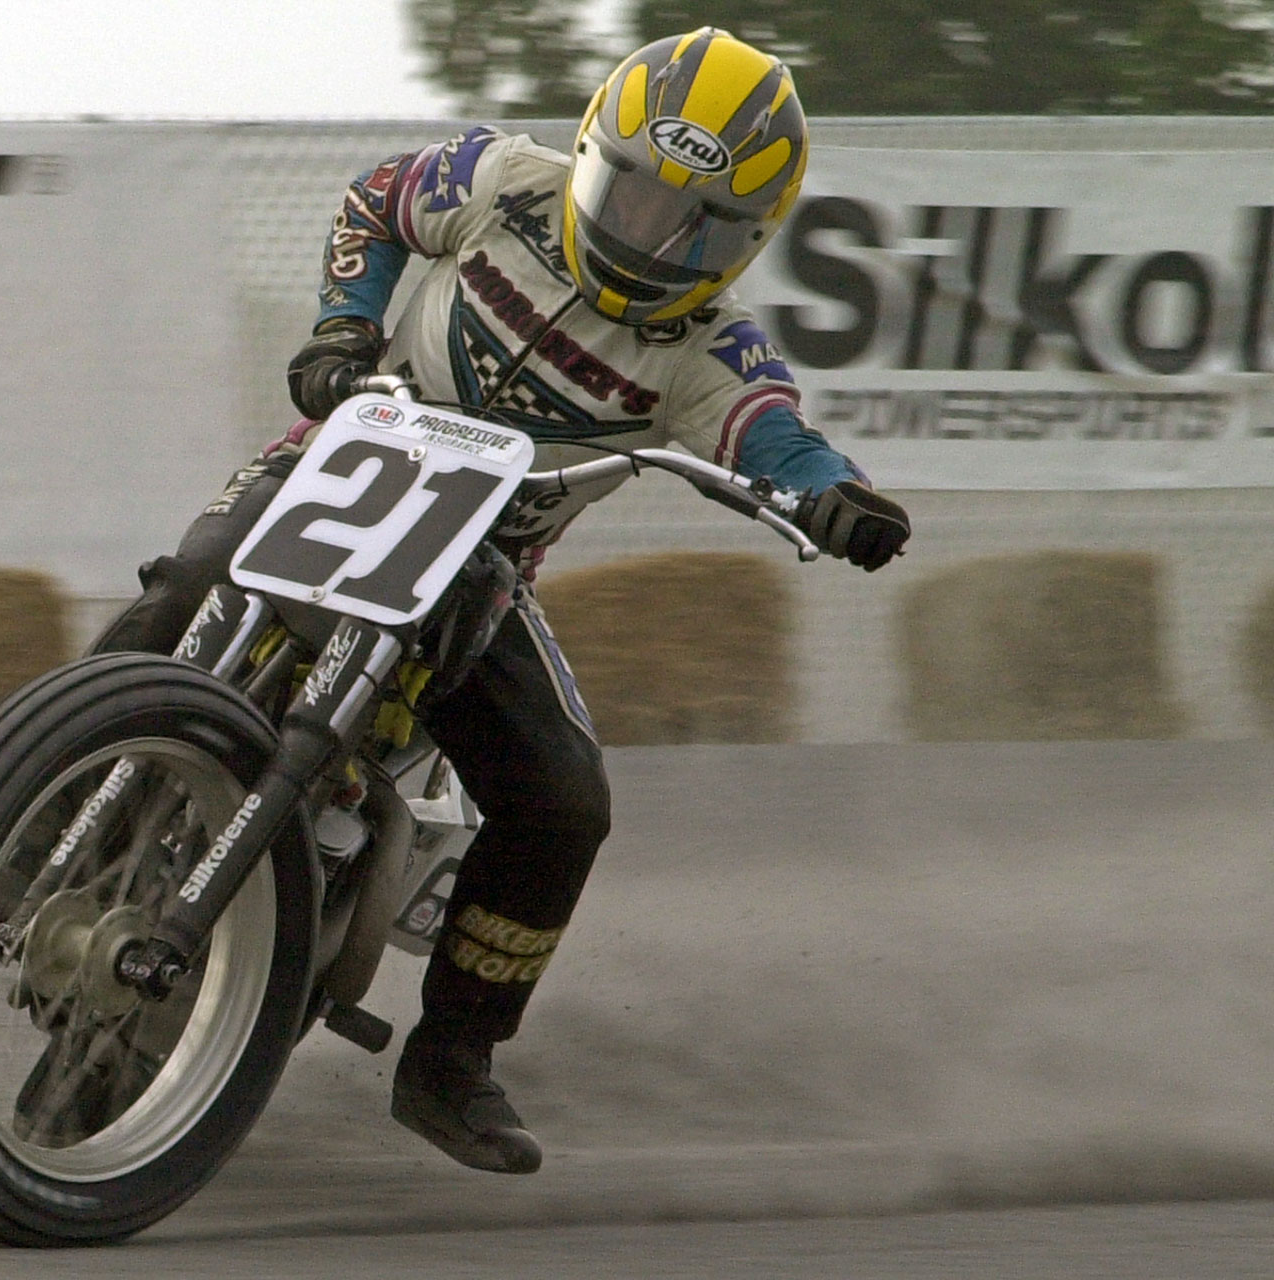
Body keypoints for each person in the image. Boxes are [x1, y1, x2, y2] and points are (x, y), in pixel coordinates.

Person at [92, 27, 910, 1174]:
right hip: (340, 465)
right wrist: (343, 328)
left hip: (485, 562)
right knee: (189, 580)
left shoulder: (712, 348)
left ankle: (452, 1058)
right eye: (633, 194)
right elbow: (378, 201)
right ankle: (54, 804)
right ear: (590, 154)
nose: (651, 235)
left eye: (695, 226)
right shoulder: (498, 179)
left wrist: (838, 498)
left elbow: (774, 434)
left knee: (565, 802)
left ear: (747, 241)